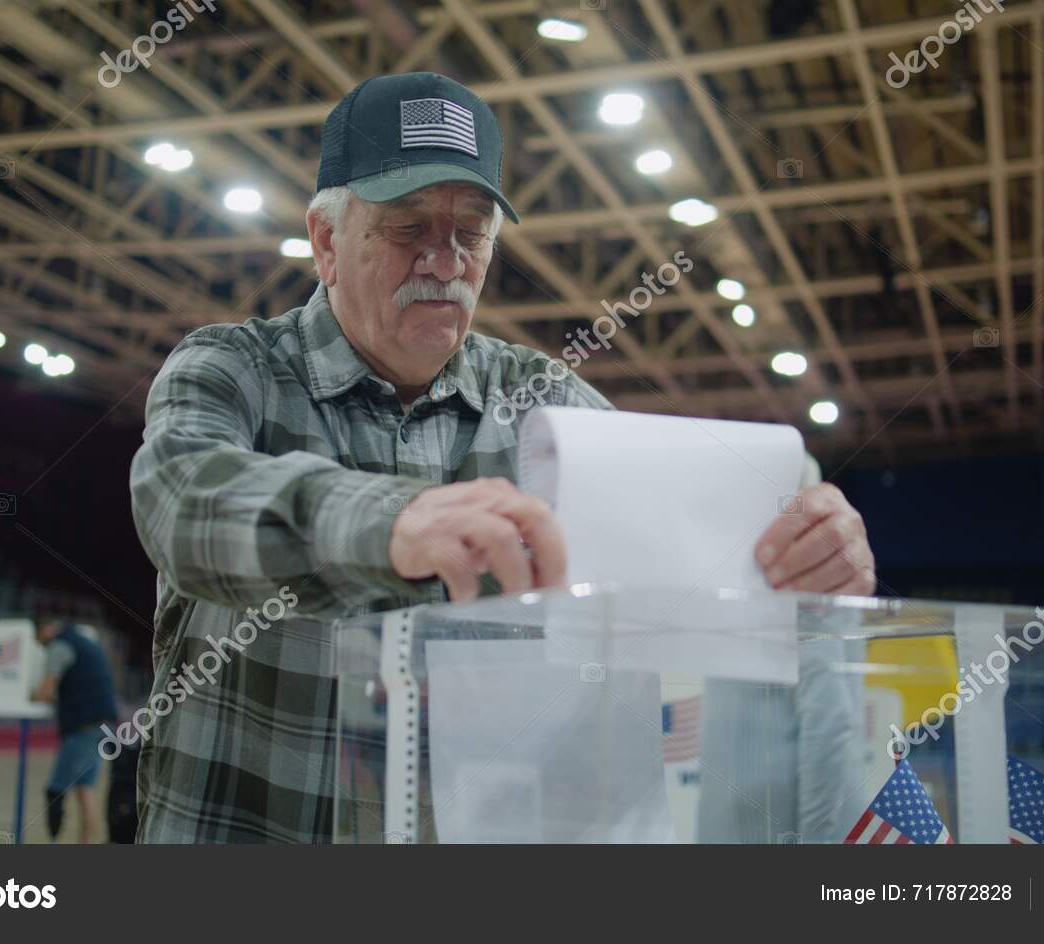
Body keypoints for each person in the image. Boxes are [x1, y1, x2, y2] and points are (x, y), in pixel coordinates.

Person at [129, 71, 877, 843]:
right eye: (408, 227)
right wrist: (394, 521)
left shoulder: (542, 401)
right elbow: (181, 498)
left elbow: (696, 515)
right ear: (326, 239)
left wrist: (807, 537)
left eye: (470, 233)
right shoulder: (232, 368)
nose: (444, 261)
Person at [29, 618, 118, 843]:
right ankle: (85, 843)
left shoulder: (60, 645)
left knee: (55, 791)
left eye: (40, 642)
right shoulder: (85, 641)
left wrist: (31, 695)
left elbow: (46, 691)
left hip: (83, 724)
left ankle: (56, 840)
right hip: (103, 721)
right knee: (85, 787)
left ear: (46, 629)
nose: (41, 647)